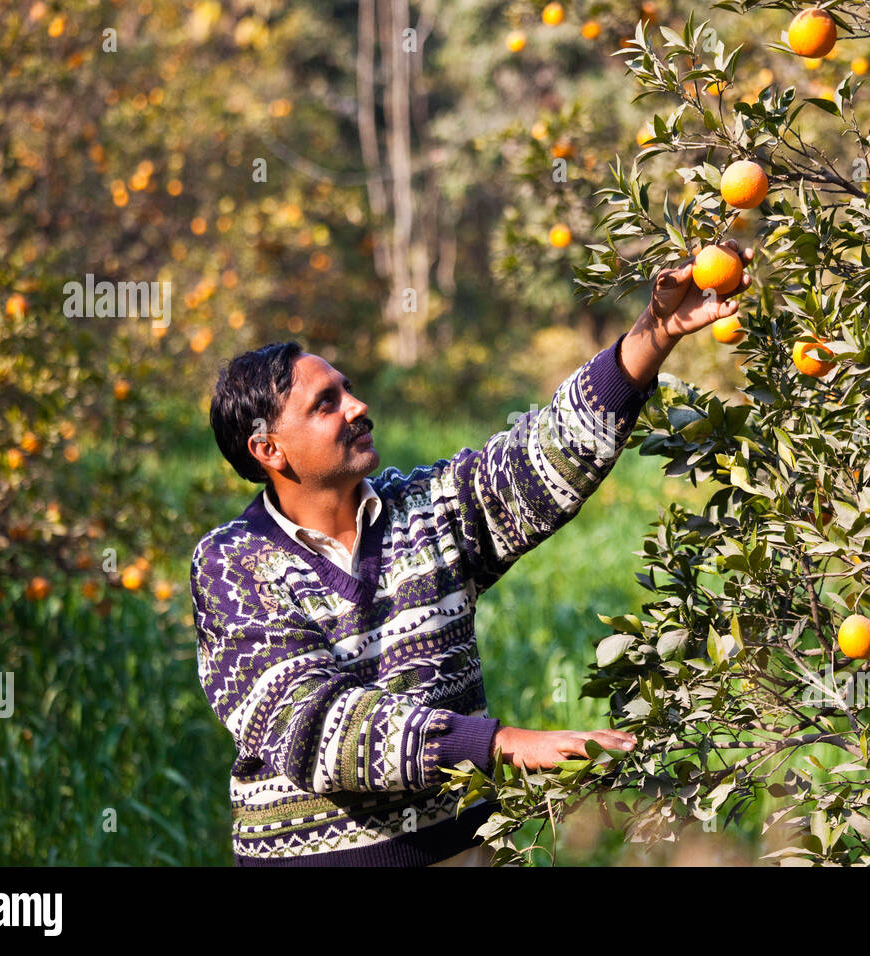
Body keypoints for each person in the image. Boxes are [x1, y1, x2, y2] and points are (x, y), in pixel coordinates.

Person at [191, 243, 753, 866]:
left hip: (462, 850)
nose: (357, 407)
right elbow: (317, 727)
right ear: (269, 451)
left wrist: (657, 332)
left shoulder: (425, 512)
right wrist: (501, 745)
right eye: (326, 404)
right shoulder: (231, 565)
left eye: (347, 390)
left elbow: (544, 455)